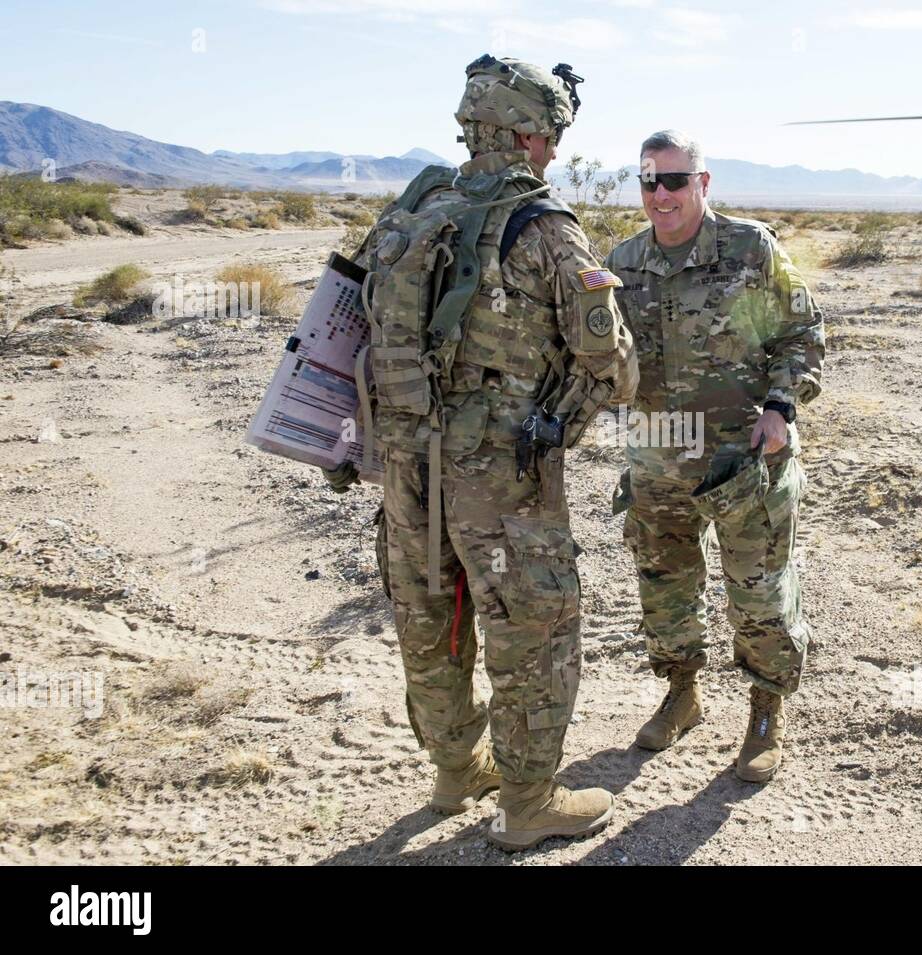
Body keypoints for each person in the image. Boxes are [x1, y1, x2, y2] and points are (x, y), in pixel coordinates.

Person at [328, 55, 637, 849]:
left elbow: (344, 324)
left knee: (429, 616)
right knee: (534, 626)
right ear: (530, 134)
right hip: (500, 479)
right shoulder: (545, 228)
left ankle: (453, 771)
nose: (555, 152)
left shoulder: (409, 211)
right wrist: (554, 426)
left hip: (406, 465)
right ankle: (527, 802)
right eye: (552, 135)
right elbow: (616, 368)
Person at [604, 130, 823, 782]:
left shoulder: (749, 248)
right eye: (649, 181)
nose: (661, 194)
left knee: (759, 595)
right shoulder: (625, 261)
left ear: (703, 183)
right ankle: (682, 693)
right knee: (664, 589)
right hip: (658, 464)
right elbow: (603, 360)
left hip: (742, 463)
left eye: (675, 180)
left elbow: (802, 330)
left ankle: (765, 712)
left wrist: (782, 406)